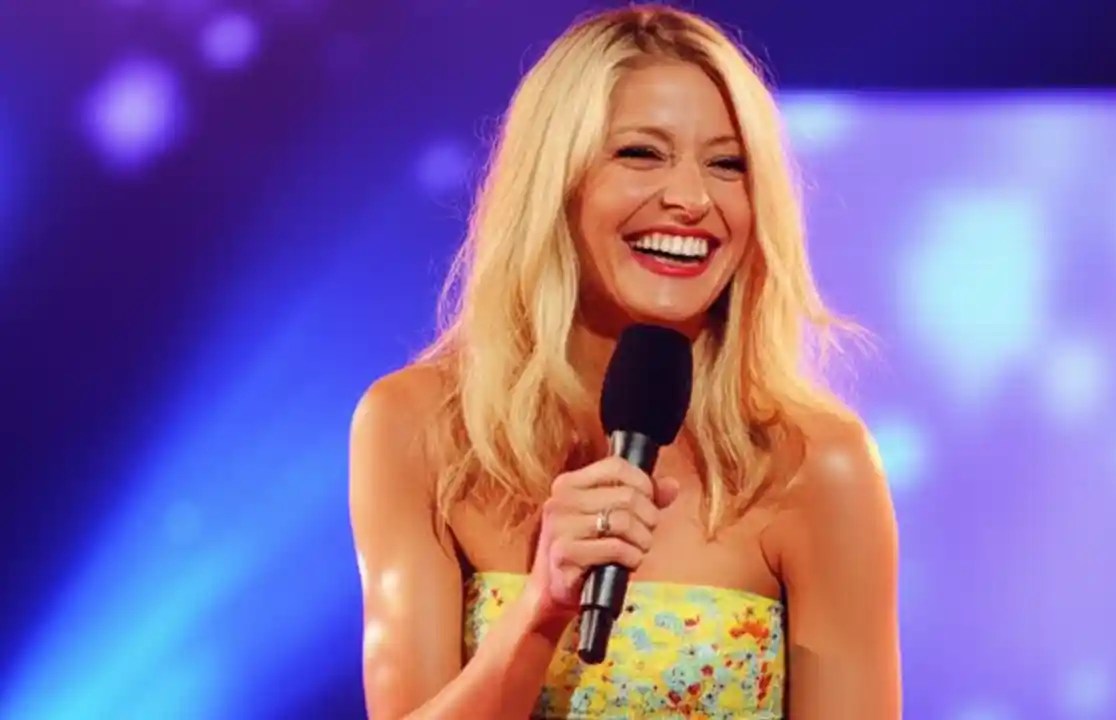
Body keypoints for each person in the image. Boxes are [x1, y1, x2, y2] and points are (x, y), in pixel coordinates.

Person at [348, 4, 901, 718]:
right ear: (557, 181)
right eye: (641, 154)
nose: (691, 199)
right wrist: (542, 609)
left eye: (727, 164)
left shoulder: (816, 463)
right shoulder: (418, 427)